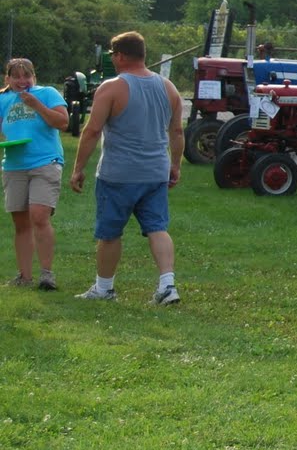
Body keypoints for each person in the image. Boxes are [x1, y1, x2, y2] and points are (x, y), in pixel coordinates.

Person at [68, 32, 185, 304]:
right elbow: (177, 130)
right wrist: (175, 165)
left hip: (117, 174)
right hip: (155, 171)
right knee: (157, 228)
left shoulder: (111, 87)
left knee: (109, 233)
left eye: (113, 54)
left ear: (119, 56)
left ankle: (104, 288)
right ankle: (168, 286)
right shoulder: (168, 87)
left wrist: (78, 169)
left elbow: (92, 130)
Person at [0, 58, 70, 290]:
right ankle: (24, 275)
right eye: (16, 76)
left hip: (44, 161)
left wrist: (36, 105)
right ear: (7, 79)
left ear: (34, 77)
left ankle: (47, 275)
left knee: (39, 216)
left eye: (26, 76)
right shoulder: (3, 99)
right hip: (14, 164)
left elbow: (62, 122)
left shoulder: (47, 93)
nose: (22, 81)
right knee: (20, 223)